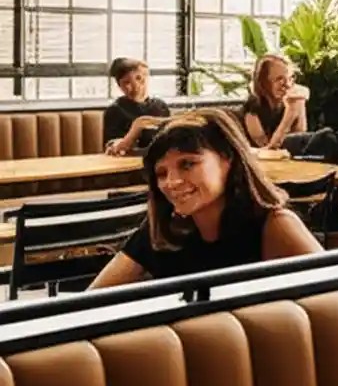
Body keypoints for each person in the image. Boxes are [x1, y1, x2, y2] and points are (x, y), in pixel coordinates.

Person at [89, 108, 322, 288]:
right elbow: (92, 302)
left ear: (228, 159)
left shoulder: (275, 226)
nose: (172, 182)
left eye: (188, 164)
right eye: (161, 173)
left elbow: (334, 305)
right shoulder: (163, 230)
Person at [242, 54, 338, 162]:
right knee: (326, 137)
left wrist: (299, 106)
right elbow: (270, 149)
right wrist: (290, 114)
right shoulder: (253, 108)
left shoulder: (290, 100)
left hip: (295, 157)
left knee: (326, 138)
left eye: (288, 78)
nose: (286, 85)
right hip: (269, 160)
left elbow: (301, 136)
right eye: (279, 79)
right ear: (263, 83)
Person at [103, 57, 171, 155]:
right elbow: (113, 149)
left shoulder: (161, 106)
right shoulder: (114, 111)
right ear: (119, 86)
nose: (135, 86)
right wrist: (136, 129)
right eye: (127, 82)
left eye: (139, 78)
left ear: (147, 77)